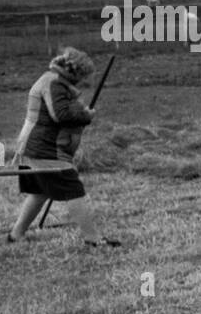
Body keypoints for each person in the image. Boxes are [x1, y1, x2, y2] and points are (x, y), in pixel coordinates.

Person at [8, 47, 120, 247]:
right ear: (75, 72)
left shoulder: (49, 78)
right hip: (44, 147)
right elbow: (61, 115)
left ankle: (16, 235)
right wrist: (86, 115)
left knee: (41, 190)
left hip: (31, 145)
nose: (83, 81)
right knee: (73, 188)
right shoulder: (55, 84)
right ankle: (93, 239)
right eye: (83, 76)